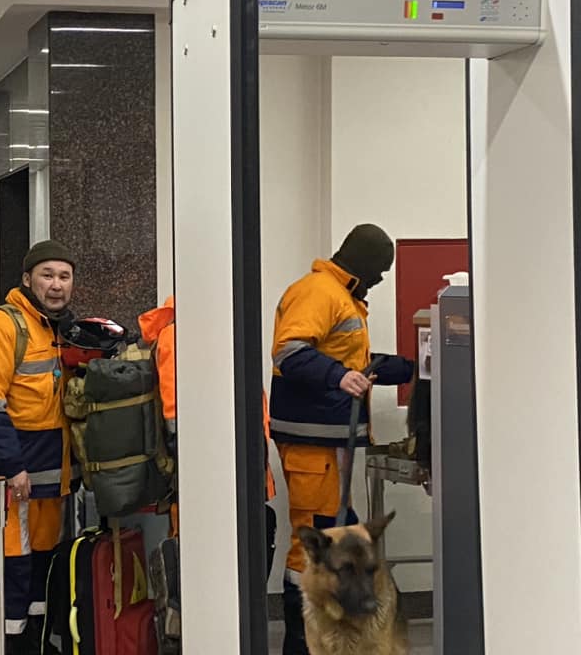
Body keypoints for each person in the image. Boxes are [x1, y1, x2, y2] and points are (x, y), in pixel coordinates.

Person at [269, 223, 414, 655]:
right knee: (313, 549)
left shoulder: (342, 296)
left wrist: (410, 368)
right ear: (364, 264)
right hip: (313, 446)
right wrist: (338, 376)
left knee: (337, 535)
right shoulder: (319, 292)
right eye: (380, 270)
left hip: (329, 445)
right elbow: (289, 351)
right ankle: (300, 645)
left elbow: (352, 361)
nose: (381, 279)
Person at [0, 240, 78, 655]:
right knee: (8, 567)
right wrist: (12, 466)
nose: (56, 285)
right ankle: (4, 645)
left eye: (64, 276)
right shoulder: (0, 327)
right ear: (27, 279)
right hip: (8, 480)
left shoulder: (60, 329)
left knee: (41, 567)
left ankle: (35, 642)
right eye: (47, 275)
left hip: (50, 478)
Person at [138, 296, 277, 575]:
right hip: (208, 470)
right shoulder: (178, 334)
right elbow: (175, 416)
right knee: (199, 554)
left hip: (231, 463)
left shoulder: (213, 329)